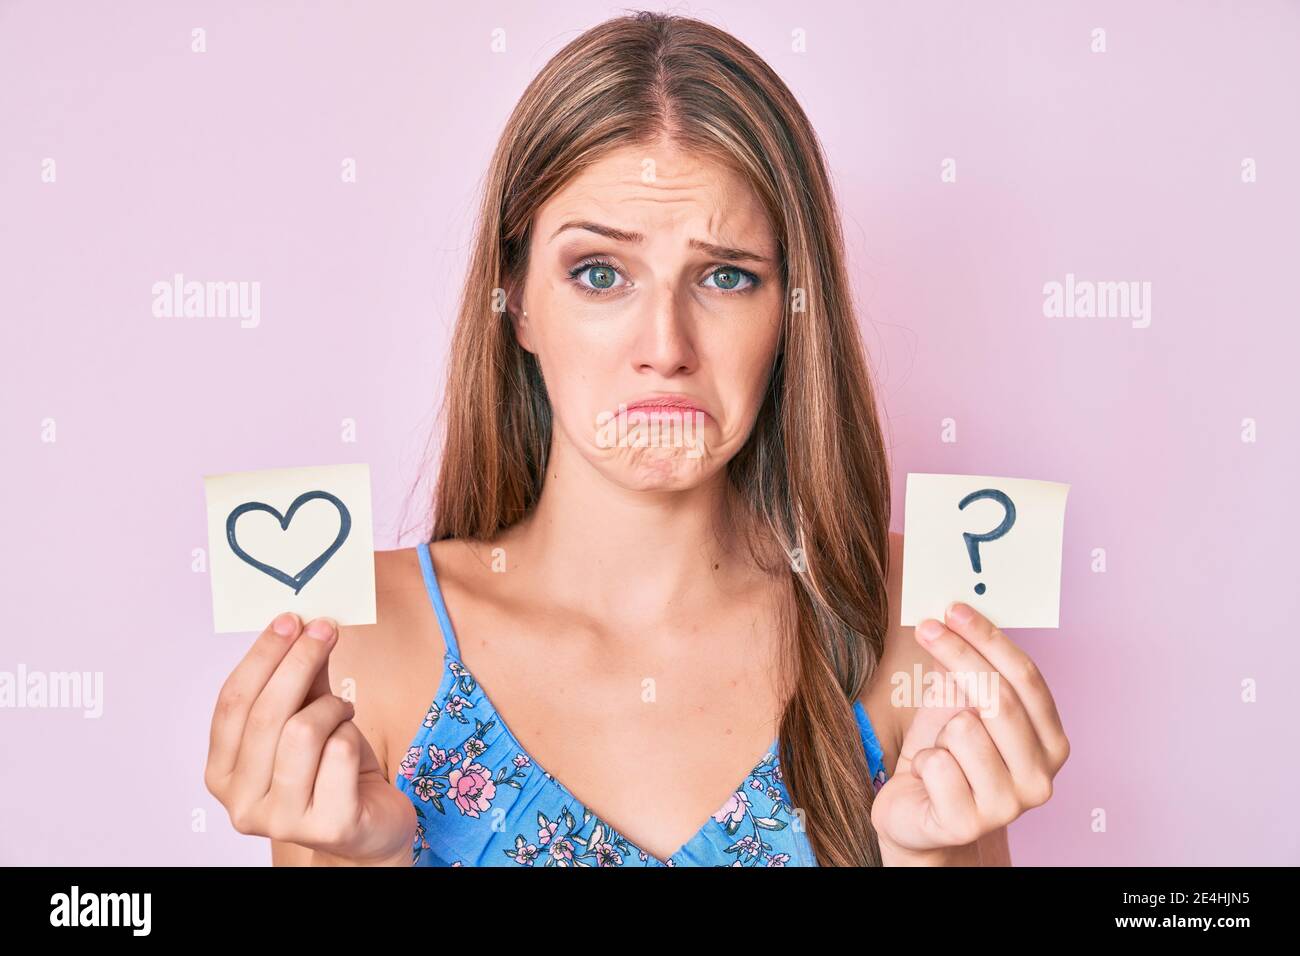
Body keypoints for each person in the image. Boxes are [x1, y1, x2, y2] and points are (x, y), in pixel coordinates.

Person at [204, 10, 1068, 867]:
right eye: (600, 274)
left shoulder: (924, 623)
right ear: (518, 300)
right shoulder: (360, 642)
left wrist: (936, 865)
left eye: (727, 277)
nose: (666, 348)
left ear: (794, 314)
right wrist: (366, 863)